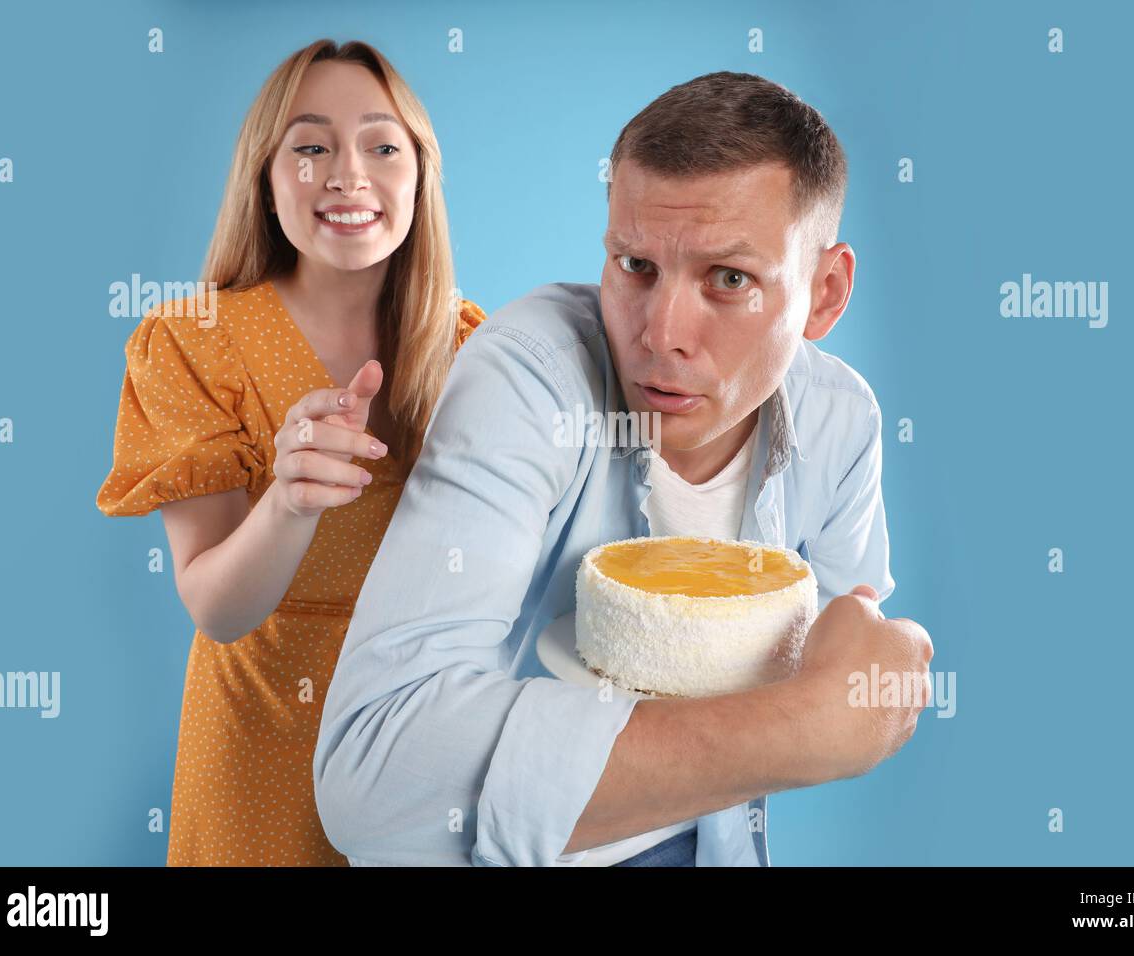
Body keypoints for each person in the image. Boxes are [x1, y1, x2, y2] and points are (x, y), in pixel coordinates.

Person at [313, 71, 932, 867]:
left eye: (730, 280)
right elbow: (372, 779)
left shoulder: (843, 420)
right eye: (636, 265)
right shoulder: (526, 375)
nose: (661, 335)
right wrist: (807, 731)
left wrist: (840, 696)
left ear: (825, 292)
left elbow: (852, 639)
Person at [95, 39, 486, 865]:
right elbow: (215, 606)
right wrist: (290, 501)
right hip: (257, 744)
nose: (348, 174)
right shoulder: (189, 341)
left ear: (419, 175)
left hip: (423, 740)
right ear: (267, 182)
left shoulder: (471, 346)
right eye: (310, 147)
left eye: (383, 146)